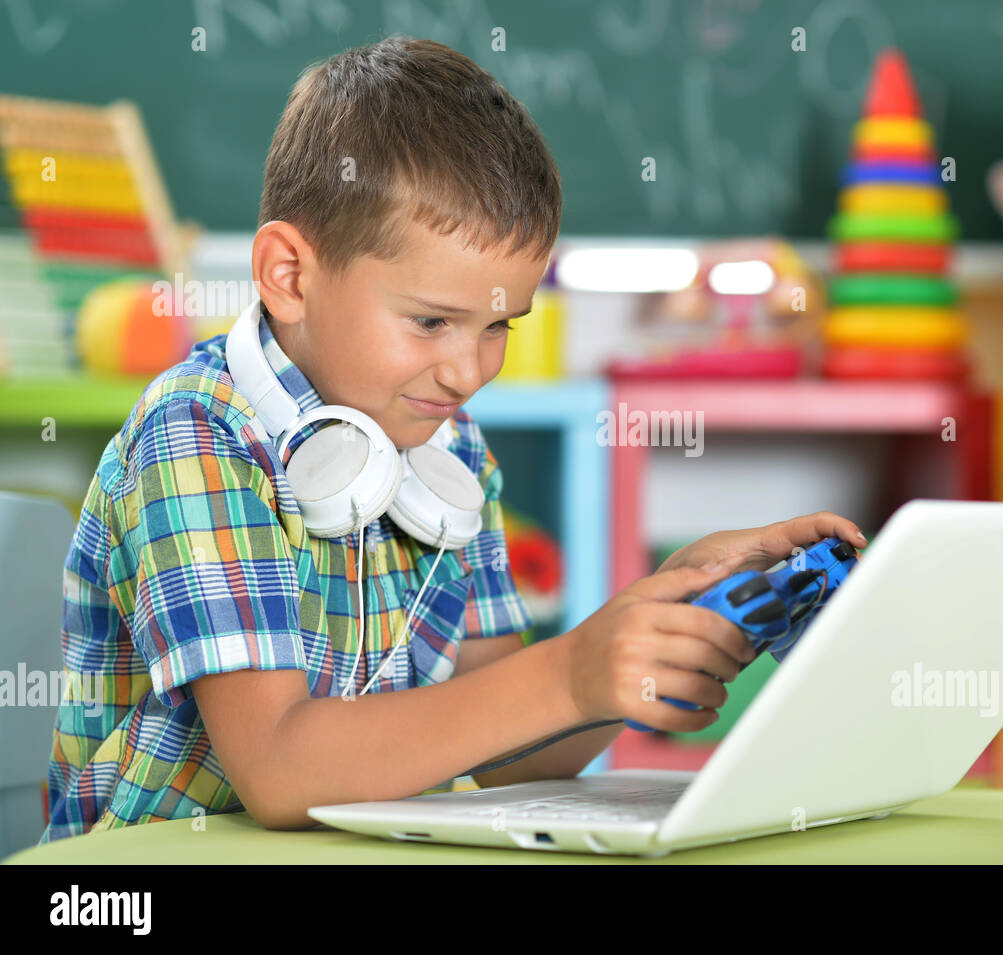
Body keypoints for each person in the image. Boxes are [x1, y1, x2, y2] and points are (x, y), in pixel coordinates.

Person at [42, 37, 867, 842]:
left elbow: (505, 758)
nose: (468, 372)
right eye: (431, 320)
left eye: (498, 326)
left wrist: (649, 630)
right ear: (289, 276)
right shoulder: (197, 435)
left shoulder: (448, 448)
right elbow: (281, 769)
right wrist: (569, 668)